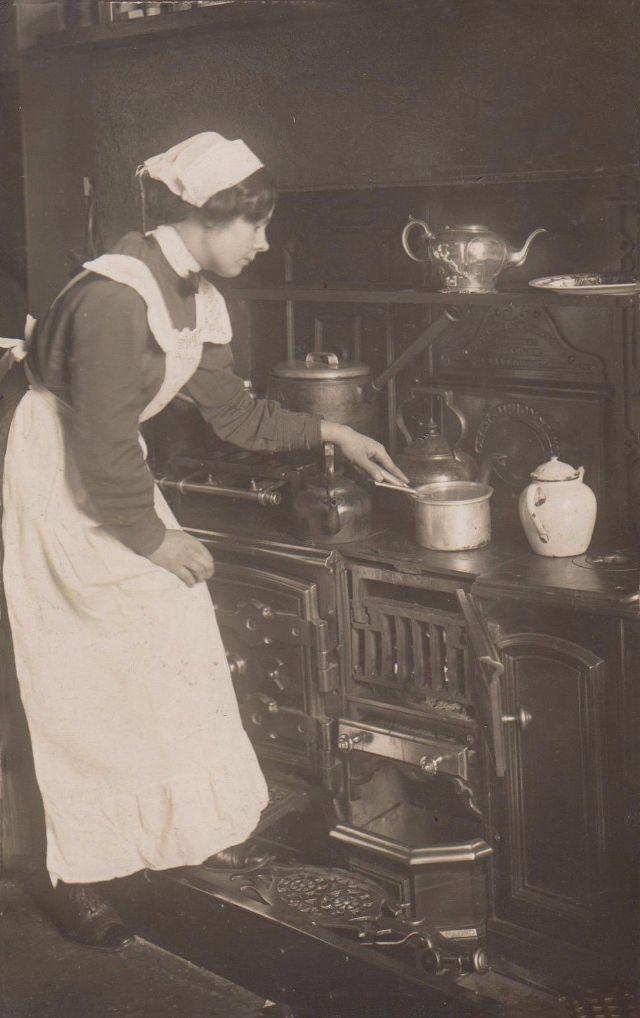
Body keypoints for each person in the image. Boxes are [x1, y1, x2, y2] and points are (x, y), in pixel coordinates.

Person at [1, 132, 407, 953]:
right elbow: (100, 447)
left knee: (159, 636)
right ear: (200, 217)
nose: (262, 243)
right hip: (45, 469)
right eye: (251, 226)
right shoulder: (116, 297)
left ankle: (144, 836)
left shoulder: (192, 295)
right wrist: (155, 543)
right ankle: (71, 872)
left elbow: (238, 415)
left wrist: (333, 432)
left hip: (104, 468)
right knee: (74, 669)